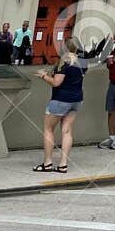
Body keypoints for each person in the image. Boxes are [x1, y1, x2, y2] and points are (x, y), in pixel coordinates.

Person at [36, 39, 84, 172]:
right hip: (76, 100)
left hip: (61, 99)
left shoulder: (64, 63)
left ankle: (47, 162)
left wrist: (43, 76)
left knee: (48, 129)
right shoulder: (82, 63)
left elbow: (57, 82)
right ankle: (63, 164)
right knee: (67, 131)